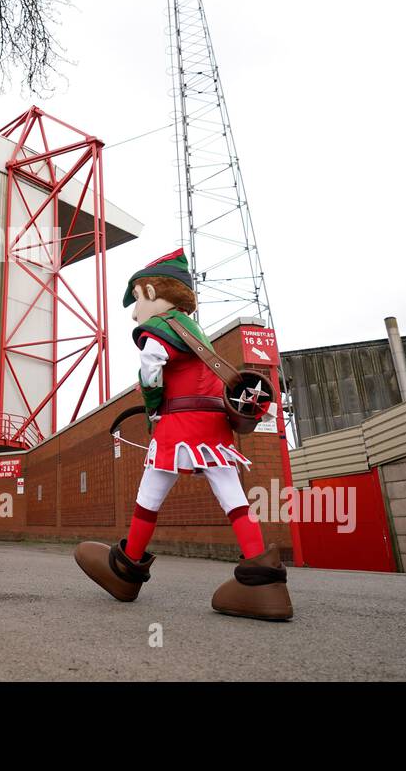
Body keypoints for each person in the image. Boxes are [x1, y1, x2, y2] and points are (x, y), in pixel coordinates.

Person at [73, 249, 294, 621]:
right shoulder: (193, 330)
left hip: (181, 424)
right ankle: (263, 576)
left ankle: (126, 568)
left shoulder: (159, 328)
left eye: (138, 300)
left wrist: (153, 399)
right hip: (213, 426)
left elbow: (151, 366)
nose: (133, 313)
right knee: (231, 495)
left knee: (151, 492)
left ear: (153, 292)